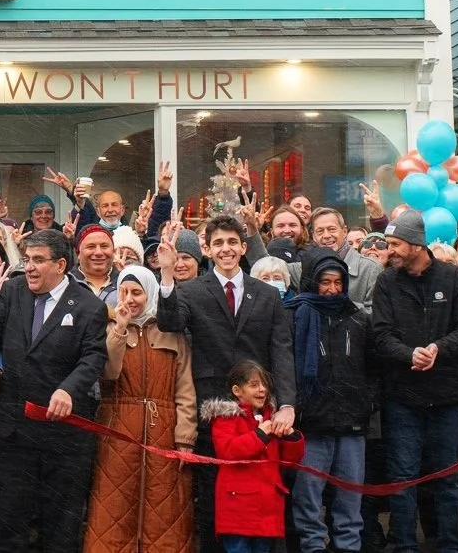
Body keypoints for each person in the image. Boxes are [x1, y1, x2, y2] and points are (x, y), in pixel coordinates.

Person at [0, 228, 108, 553]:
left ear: (61, 265)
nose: (30, 268)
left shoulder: (88, 306)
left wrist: (69, 390)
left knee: (60, 529)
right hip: (15, 434)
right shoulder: (14, 292)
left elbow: (94, 357)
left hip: (65, 437)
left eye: (39, 261)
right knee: (10, 525)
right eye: (27, 260)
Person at [155, 214, 296, 553]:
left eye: (233, 242)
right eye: (218, 242)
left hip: (259, 412)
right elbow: (170, 320)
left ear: (244, 247)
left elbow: (281, 351)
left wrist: (287, 404)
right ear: (207, 249)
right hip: (213, 410)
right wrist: (166, 272)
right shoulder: (190, 291)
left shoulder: (266, 295)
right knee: (214, 500)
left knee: (261, 497)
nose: (226, 248)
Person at [370, 210, 458, 553]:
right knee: (403, 476)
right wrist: (408, 354)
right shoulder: (387, 282)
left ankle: (450, 544)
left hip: (448, 395)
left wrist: (438, 349)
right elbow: (380, 333)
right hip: (403, 396)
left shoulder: (452, 278)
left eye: (395, 244)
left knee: (448, 476)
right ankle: (404, 544)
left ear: (416, 244)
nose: (391, 251)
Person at [83, 264, 195, 553]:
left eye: (137, 292)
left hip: (165, 429)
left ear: (151, 293)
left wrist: (185, 437)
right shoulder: (108, 326)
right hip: (118, 427)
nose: (129, 299)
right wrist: (119, 329)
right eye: (123, 292)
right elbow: (108, 374)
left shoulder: (172, 332)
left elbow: (184, 389)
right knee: (114, 509)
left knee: (165, 512)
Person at [287, 254, 373, 553]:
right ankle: (313, 546)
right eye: (325, 282)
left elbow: (373, 368)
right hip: (311, 423)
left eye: (338, 282)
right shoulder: (296, 316)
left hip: (352, 421)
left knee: (351, 495)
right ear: (313, 282)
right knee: (308, 495)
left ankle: (348, 546)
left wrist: (367, 402)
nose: (332, 289)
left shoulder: (359, 318)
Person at [207, 359, 306, 553]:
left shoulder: (272, 417)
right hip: (238, 508)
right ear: (237, 390)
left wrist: (291, 436)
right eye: (254, 385)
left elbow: (290, 460)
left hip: (267, 509)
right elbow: (229, 451)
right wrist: (260, 435)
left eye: (264, 385)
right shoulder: (225, 417)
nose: (262, 390)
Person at [304, 208, 377, 310]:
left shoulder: (370, 268)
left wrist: (340, 304)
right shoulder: (306, 267)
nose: (326, 235)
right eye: (320, 231)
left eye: (331, 229)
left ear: (344, 231)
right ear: (314, 236)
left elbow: (376, 314)